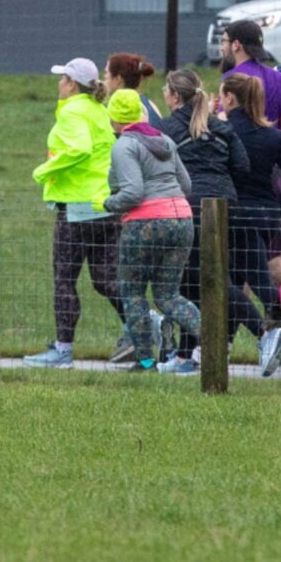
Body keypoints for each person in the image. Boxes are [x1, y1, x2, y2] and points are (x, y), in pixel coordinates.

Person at [26, 57, 130, 368]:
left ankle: (63, 350)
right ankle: (143, 323)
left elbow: (79, 149)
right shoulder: (100, 110)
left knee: (64, 279)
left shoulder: (72, 111)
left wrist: (42, 171)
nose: (59, 84)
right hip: (106, 206)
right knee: (106, 279)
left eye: (62, 79)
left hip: (76, 208)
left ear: (72, 84)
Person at [161, 67, 260, 371]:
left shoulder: (167, 129)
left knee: (207, 278)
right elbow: (242, 166)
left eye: (166, 89)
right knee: (195, 280)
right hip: (225, 204)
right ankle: (186, 355)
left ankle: (268, 332)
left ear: (175, 95)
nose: (163, 94)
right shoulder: (221, 127)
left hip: (189, 207)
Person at [104, 89, 204, 374]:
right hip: (182, 220)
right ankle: (214, 340)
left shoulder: (124, 145)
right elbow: (186, 186)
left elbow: (133, 192)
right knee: (168, 295)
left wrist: (109, 203)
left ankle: (146, 361)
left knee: (134, 292)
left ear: (114, 119)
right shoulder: (166, 140)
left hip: (144, 224)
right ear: (141, 113)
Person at [220, 70, 281, 375]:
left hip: (235, 214)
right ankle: (220, 346)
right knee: (231, 280)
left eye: (221, 96)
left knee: (254, 278)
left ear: (230, 98)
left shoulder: (225, 130)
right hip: (267, 213)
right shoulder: (273, 134)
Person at [106, 53, 164, 128]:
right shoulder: (151, 105)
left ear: (118, 79)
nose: (105, 78)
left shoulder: (124, 112)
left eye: (106, 73)